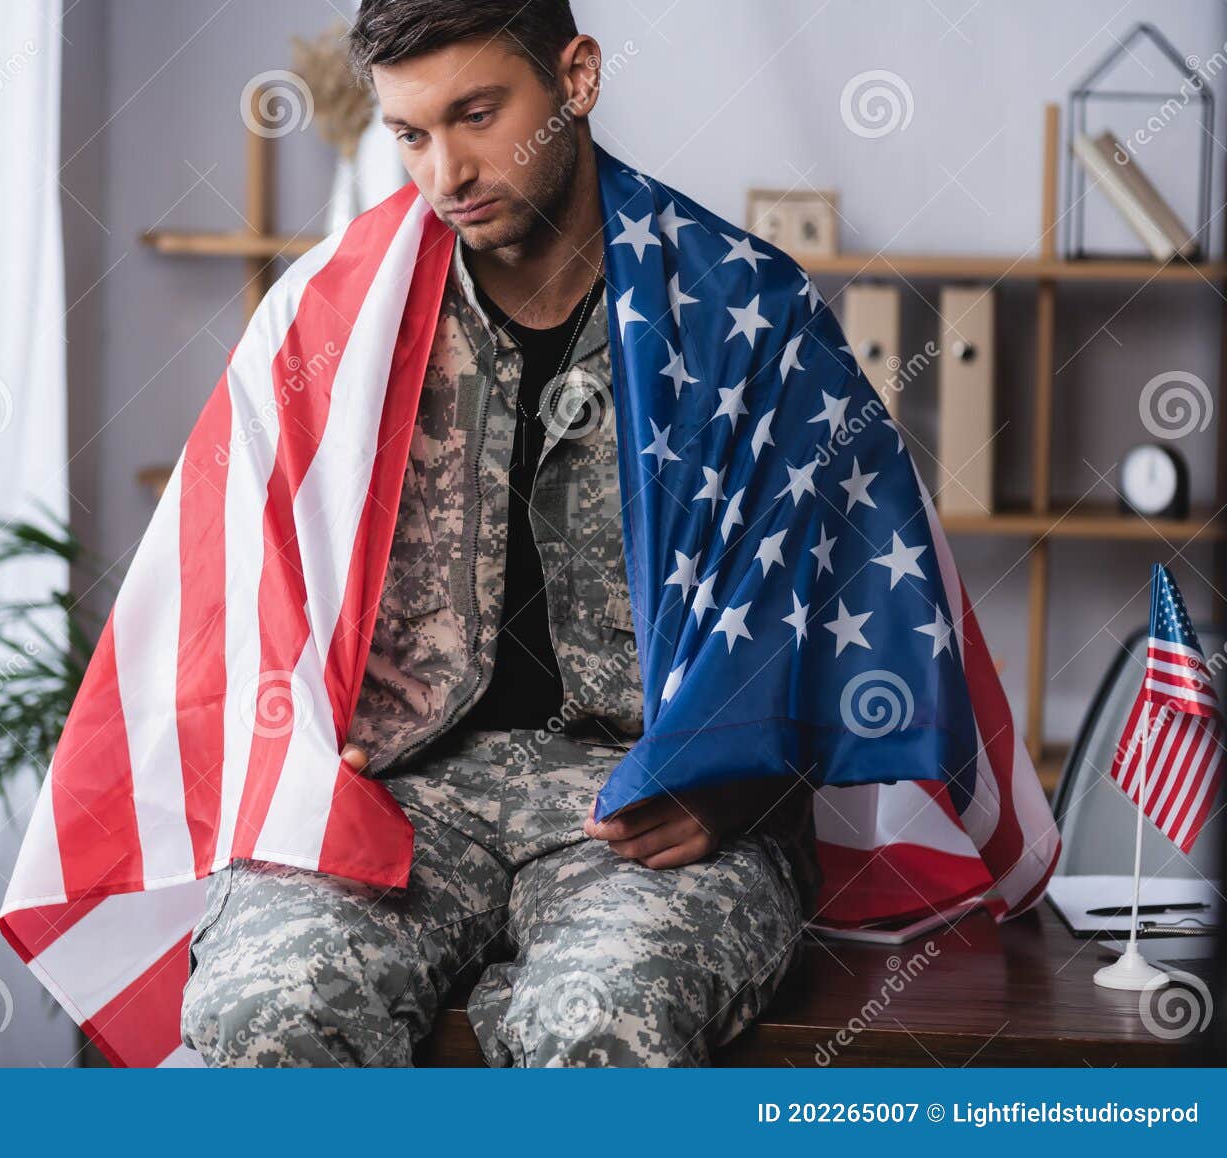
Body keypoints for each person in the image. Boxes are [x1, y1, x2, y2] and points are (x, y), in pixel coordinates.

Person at [179, 0, 819, 1067]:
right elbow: (239, 576)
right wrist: (295, 751)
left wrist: (745, 783)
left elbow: (836, 590)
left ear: (575, 78)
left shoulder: (740, 310)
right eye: (411, 134)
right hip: (396, 792)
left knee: (603, 1024)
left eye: (478, 115)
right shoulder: (332, 318)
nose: (446, 172)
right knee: (262, 1016)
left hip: (648, 803)